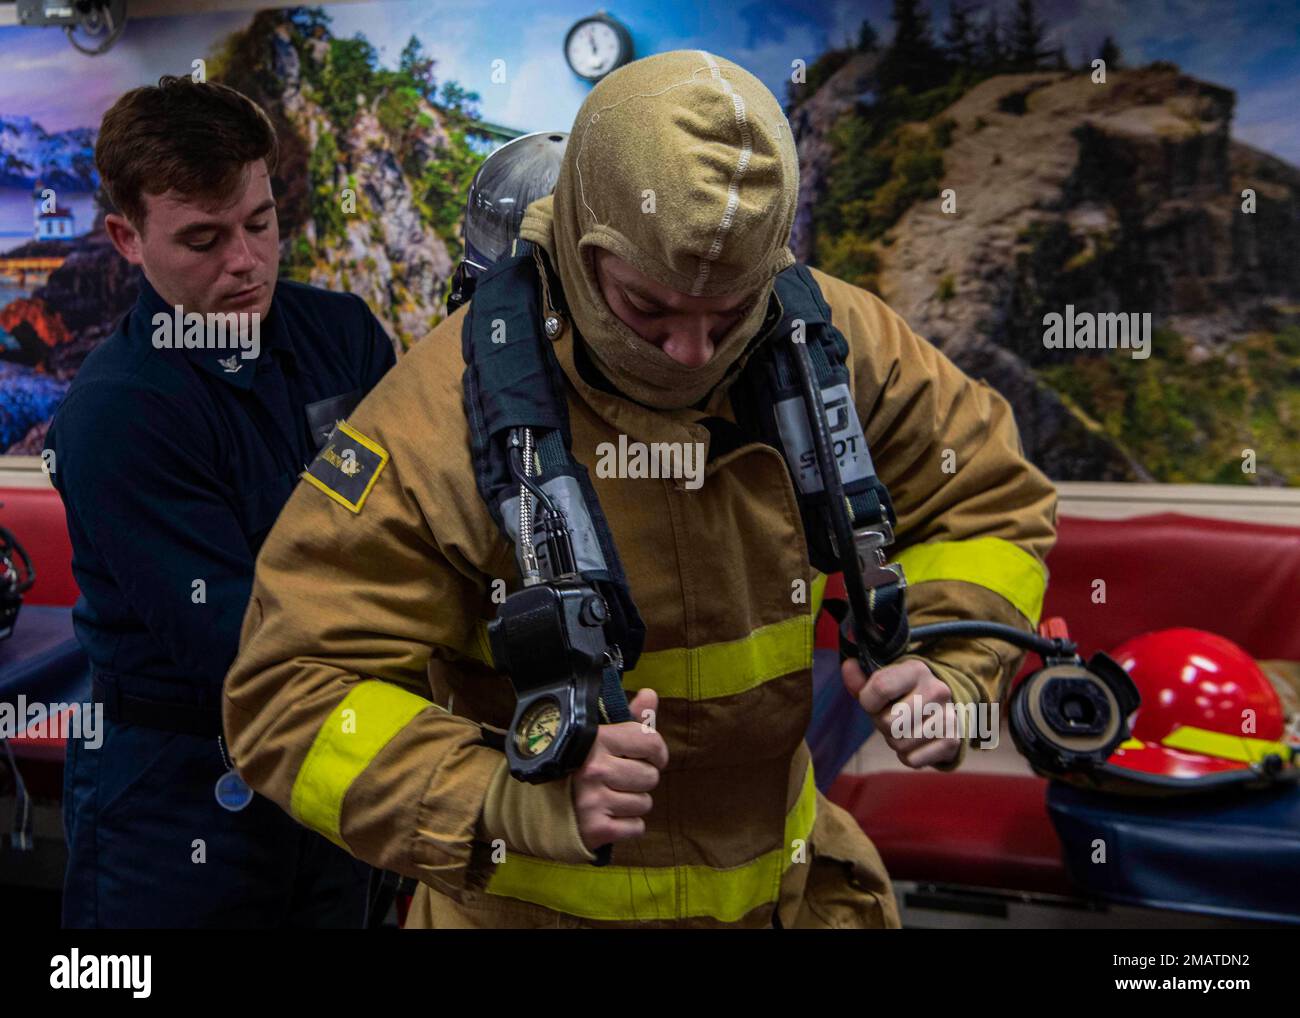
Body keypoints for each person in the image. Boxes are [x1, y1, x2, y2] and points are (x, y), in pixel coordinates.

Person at [223, 50, 1058, 929]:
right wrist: (508, 799)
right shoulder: (437, 417)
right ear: (581, 246)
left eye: (729, 313)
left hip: (787, 901)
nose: (693, 353)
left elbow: (988, 502)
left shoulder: (835, 344)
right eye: (648, 310)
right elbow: (289, 695)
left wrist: (951, 671)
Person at [46, 77, 395, 927]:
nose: (245, 262)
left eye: (260, 223)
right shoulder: (118, 410)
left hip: (337, 763)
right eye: (202, 239)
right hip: (177, 795)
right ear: (126, 239)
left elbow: (417, 522)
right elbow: (244, 643)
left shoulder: (341, 334)